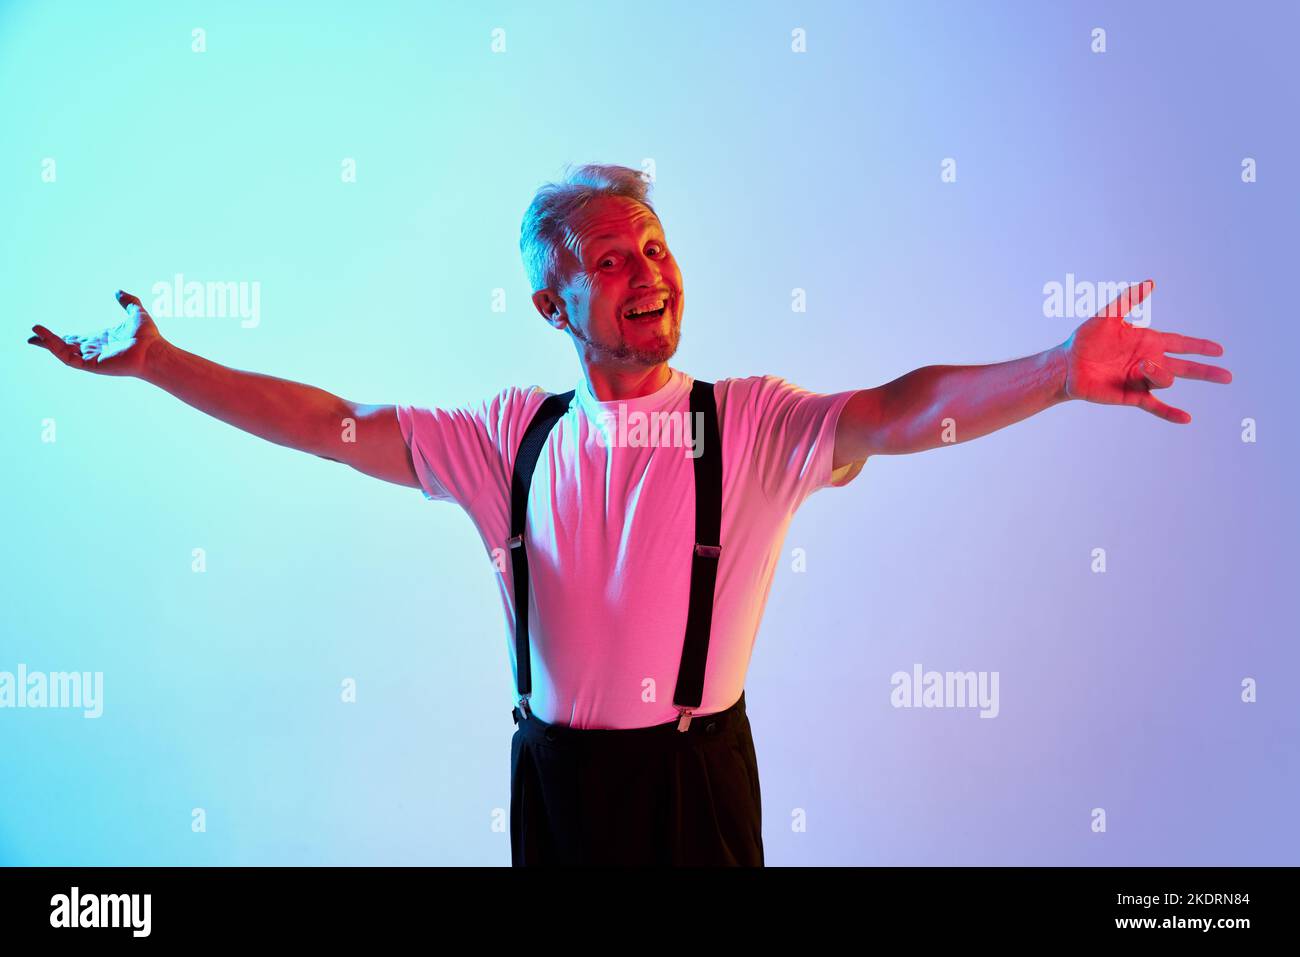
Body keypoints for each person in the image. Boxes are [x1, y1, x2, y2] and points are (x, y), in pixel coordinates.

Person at [27, 163, 1232, 867]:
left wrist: (1054, 371)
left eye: (653, 247)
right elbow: (329, 422)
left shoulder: (749, 425)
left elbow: (899, 410)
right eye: (608, 260)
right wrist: (162, 363)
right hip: (551, 783)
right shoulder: (508, 437)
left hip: (692, 791)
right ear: (550, 303)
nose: (646, 271)